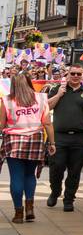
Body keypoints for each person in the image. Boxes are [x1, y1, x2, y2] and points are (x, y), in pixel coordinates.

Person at [0, 71, 55, 223]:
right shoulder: (41, 99)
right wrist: (52, 143)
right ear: (30, 83)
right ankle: (30, 208)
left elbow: (1, 125)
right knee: (29, 175)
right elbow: (48, 123)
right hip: (35, 140)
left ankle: (18, 213)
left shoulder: (6, 101)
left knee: (16, 177)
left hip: (13, 141)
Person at [45, 64, 83, 211]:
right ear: (67, 75)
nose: (75, 76)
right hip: (59, 137)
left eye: (78, 74)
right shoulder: (57, 89)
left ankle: (69, 199)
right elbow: (47, 107)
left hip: (80, 138)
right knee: (56, 168)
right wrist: (59, 95)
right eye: (73, 73)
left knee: (75, 171)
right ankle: (55, 192)